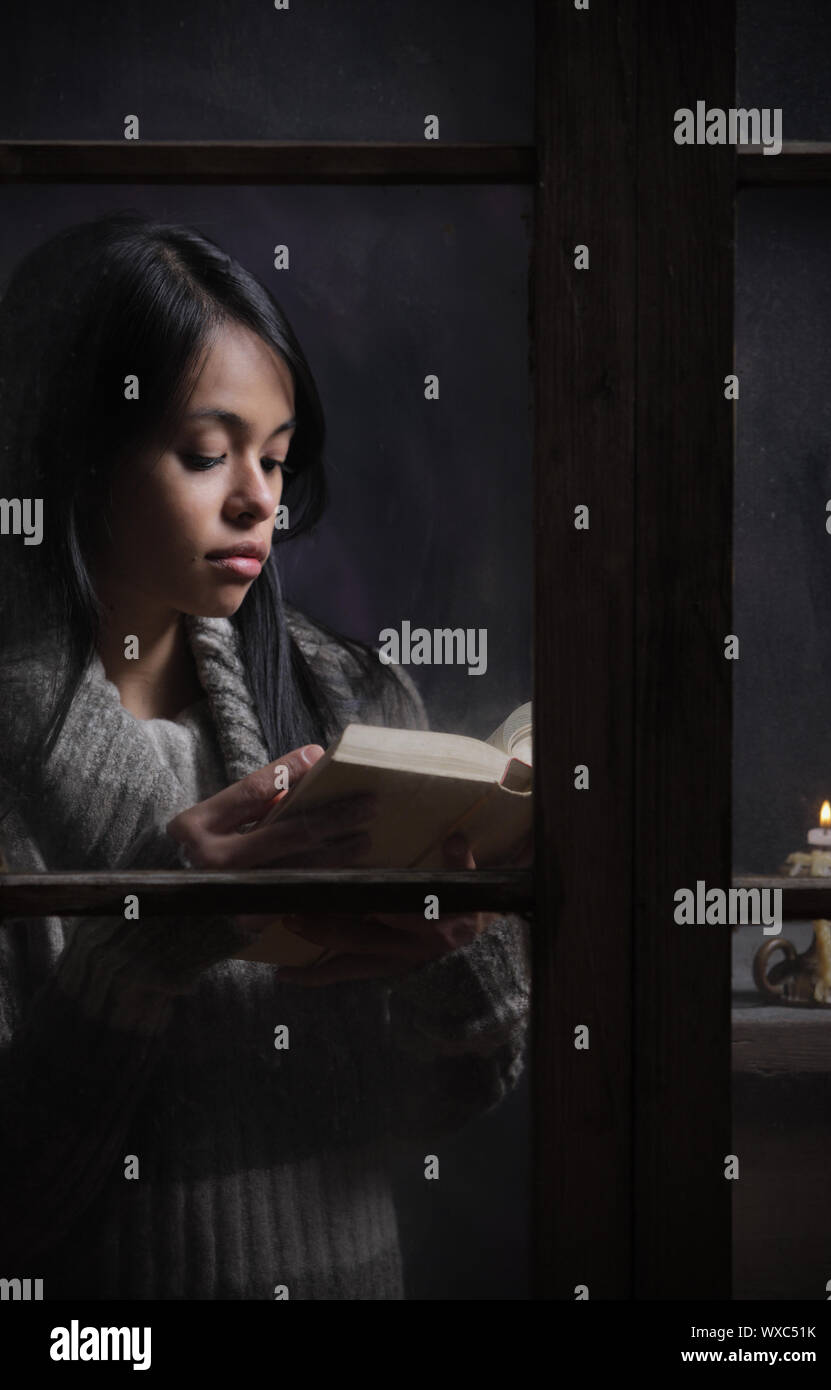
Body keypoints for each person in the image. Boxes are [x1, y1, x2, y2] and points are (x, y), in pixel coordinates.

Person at [0, 212, 532, 1300]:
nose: (258, 499)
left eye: (276, 458)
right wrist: (139, 949)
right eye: (206, 453)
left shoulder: (347, 700)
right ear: (80, 452)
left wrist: (453, 949)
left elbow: (458, 1097)